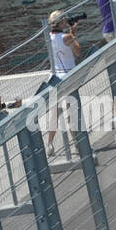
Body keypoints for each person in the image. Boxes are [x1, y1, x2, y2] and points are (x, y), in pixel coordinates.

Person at [45, 9, 82, 157]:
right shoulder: (67, 37)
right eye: (64, 20)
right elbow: (78, 51)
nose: (67, 21)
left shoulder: (48, 37)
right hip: (67, 75)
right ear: (60, 22)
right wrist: (73, 34)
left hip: (54, 76)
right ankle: (76, 145)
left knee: (54, 113)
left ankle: (49, 144)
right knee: (70, 112)